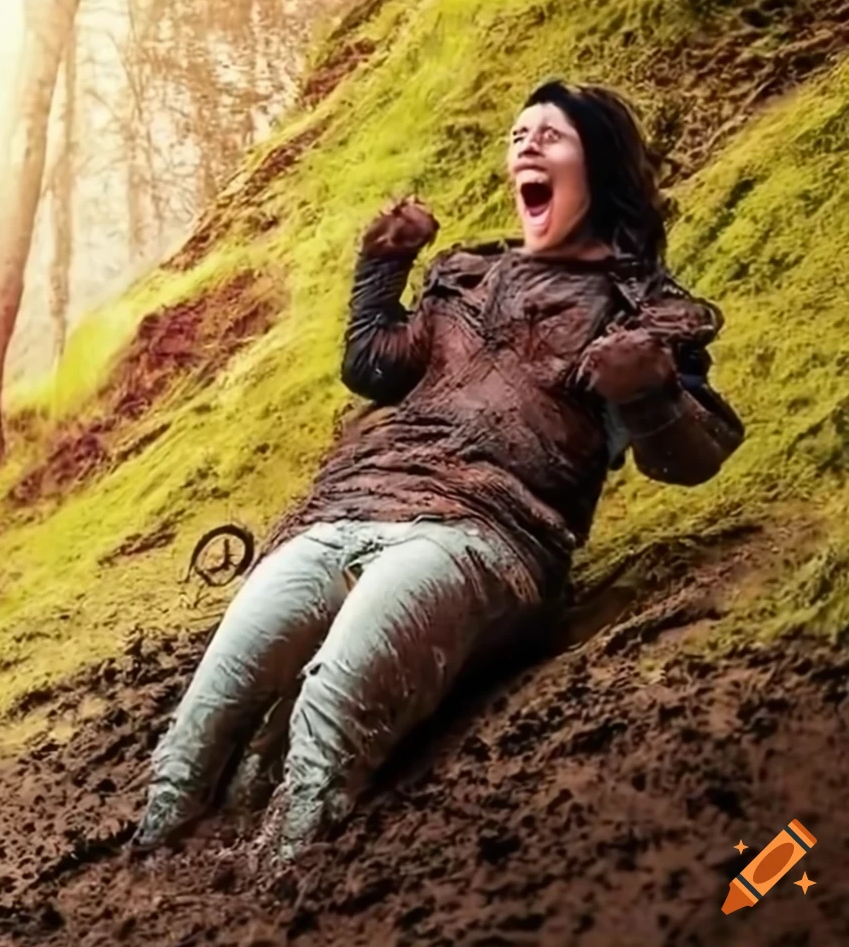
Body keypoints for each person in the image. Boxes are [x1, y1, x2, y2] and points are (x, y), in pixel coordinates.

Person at [130, 79, 745, 863]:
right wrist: (382, 264)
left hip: (488, 532)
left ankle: (281, 883)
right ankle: (151, 868)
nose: (526, 143)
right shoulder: (467, 277)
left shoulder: (639, 313)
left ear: (602, 166)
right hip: (349, 507)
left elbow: (689, 459)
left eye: (551, 136)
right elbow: (374, 367)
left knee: (331, 698)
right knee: (203, 721)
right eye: (519, 133)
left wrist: (651, 391)